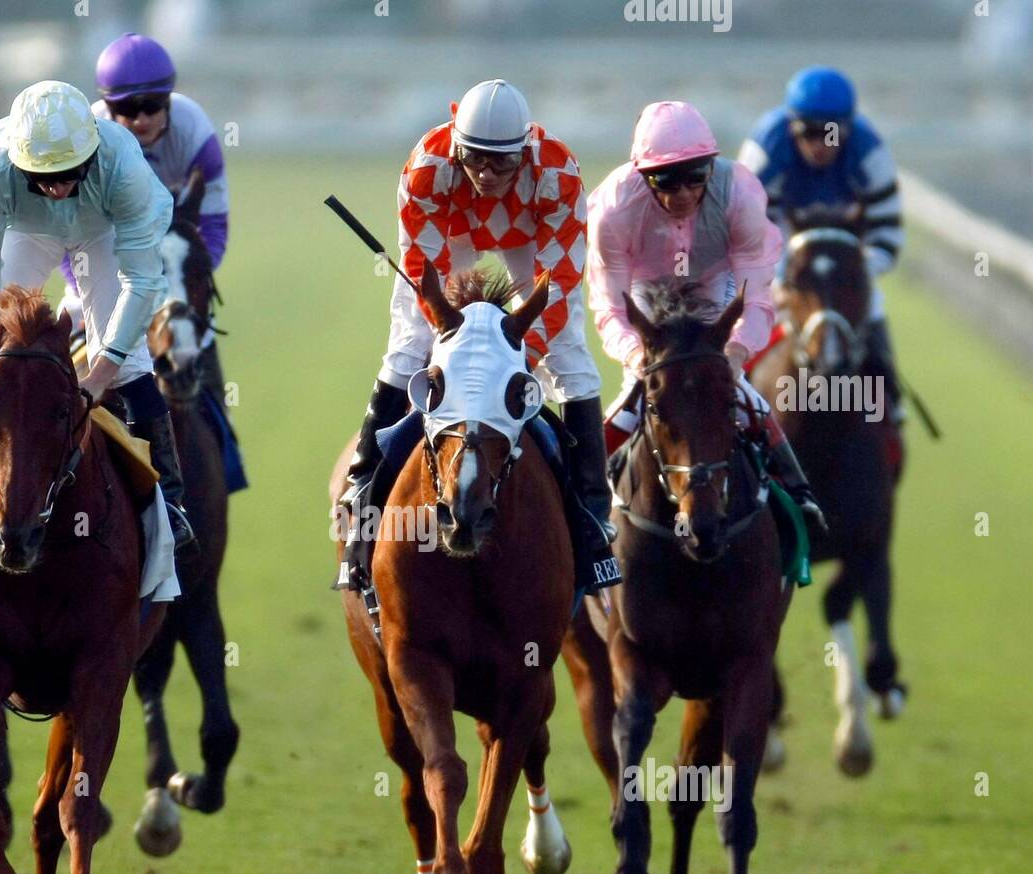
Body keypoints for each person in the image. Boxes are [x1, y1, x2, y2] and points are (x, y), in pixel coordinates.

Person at [338, 78, 617, 592]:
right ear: (455, 144)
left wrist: (515, 363)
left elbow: (554, 290)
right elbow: (429, 279)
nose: (486, 173)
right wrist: (456, 350)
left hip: (531, 239)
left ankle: (595, 517)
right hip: (451, 235)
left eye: (502, 163)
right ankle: (361, 488)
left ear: (526, 150)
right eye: (474, 159)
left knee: (572, 359)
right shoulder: (427, 167)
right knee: (409, 345)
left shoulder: (559, 174)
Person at [0, 80, 194, 553]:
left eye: (69, 173)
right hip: (25, 231)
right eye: (41, 177)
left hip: (104, 231)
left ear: (92, 156)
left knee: (132, 364)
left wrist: (102, 372)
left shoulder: (124, 169)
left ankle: (171, 507)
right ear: (17, 163)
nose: (57, 189)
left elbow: (142, 284)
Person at [587, 99, 825, 528]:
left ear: (712, 169)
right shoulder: (613, 210)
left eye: (695, 178)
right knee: (638, 394)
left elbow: (756, 300)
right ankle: (584, 499)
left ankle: (799, 493)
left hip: (714, 284)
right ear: (643, 176)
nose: (682, 193)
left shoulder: (739, 195)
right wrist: (634, 356)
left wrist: (735, 353)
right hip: (646, 291)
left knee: (739, 392)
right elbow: (610, 307)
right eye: (665, 180)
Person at [84, 32, 243, 489]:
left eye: (152, 105)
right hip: (106, 255)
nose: (140, 119)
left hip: (175, 248)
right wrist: (85, 296)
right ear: (107, 108)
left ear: (170, 99)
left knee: (197, 353)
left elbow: (212, 228)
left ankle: (223, 468)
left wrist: (187, 287)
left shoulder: (197, 135)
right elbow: (71, 231)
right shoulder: (89, 138)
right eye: (126, 110)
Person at [738, 65, 904, 427]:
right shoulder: (767, 149)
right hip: (779, 247)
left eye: (832, 135)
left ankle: (891, 401)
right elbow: (744, 231)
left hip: (846, 255)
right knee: (752, 310)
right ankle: (732, 398)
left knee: (871, 305)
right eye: (809, 133)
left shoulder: (870, 153)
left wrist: (856, 271)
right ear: (790, 127)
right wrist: (778, 279)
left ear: (848, 129)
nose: (821, 145)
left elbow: (888, 237)